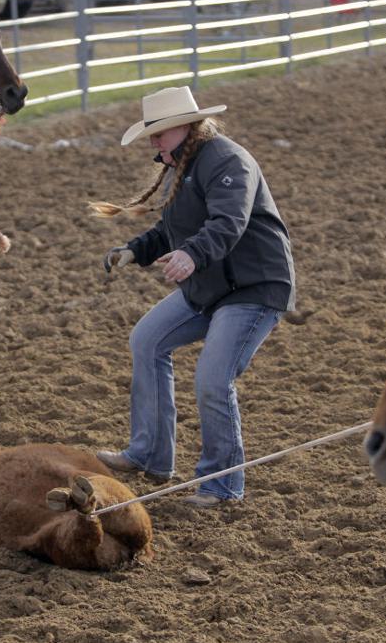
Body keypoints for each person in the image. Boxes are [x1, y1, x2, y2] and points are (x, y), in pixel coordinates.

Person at [90, 86, 296, 508]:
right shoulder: (186, 164)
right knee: (147, 340)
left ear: (185, 127)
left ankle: (222, 486)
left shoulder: (225, 159)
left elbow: (229, 220)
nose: (154, 142)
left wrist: (191, 253)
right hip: (213, 286)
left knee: (212, 379)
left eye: (159, 134)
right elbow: (173, 227)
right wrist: (135, 250)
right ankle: (150, 454)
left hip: (252, 287)